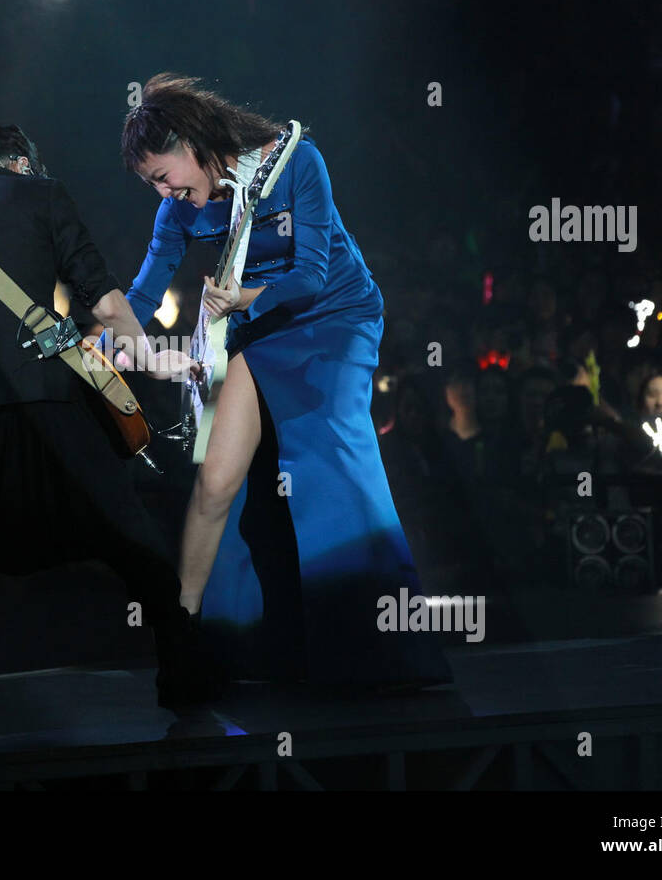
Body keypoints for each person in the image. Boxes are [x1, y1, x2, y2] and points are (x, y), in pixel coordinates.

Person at [0, 116, 221, 727]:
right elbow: (108, 307)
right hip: (46, 419)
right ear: (19, 161)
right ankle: (181, 672)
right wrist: (153, 361)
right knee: (131, 538)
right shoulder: (41, 194)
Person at [117, 74, 453, 690]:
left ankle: (377, 652)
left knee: (331, 461)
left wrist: (242, 295)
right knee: (217, 480)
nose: (163, 191)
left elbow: (313, 276)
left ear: (192, 141)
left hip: (335, 318)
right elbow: (143, 292)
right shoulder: (177, 211)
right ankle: (193, 640)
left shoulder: (295, 160)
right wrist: (102, 340)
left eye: (163, 175)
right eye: (152, 185)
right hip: (257, 326)